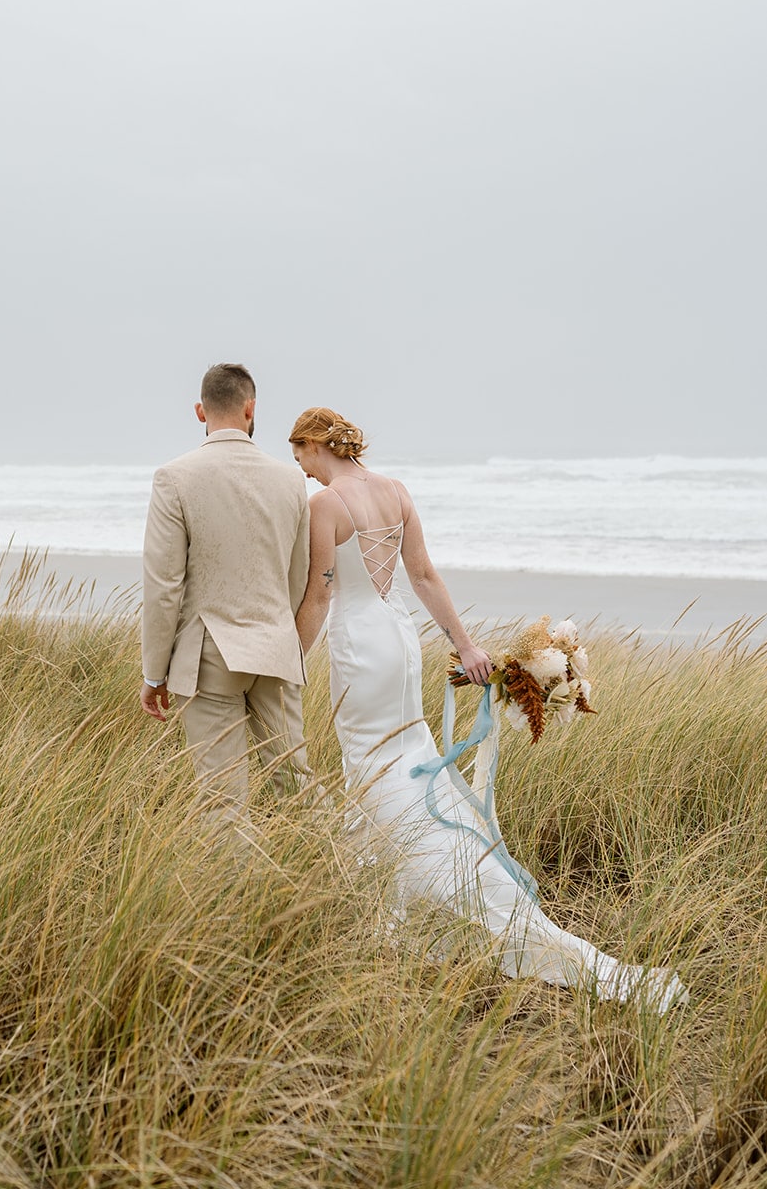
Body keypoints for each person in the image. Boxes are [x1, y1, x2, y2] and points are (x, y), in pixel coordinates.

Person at [289, 405, 687, 1011]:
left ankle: (411, 899)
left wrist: (290, 658)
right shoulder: (395, 491)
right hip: (400, 646)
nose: (305, 474)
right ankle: (404, 894)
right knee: (405, 751)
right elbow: (422, 575)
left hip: (357, 649)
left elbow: (320, 593)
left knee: (370, 763)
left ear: (316, 445)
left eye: (301, 460)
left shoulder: (325, 505)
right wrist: (464, 644)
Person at [140, 364, 313, 838]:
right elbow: (297, 576)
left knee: (222, 799)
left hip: (210, 653)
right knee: (295, 785)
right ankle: (320, 886)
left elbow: (163, 585)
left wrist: (155, 673)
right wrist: (283, 634)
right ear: (251, 409)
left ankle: (238, 907)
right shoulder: (290, 480)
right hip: (277, 648)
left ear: (200, 411)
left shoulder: (174, 478)